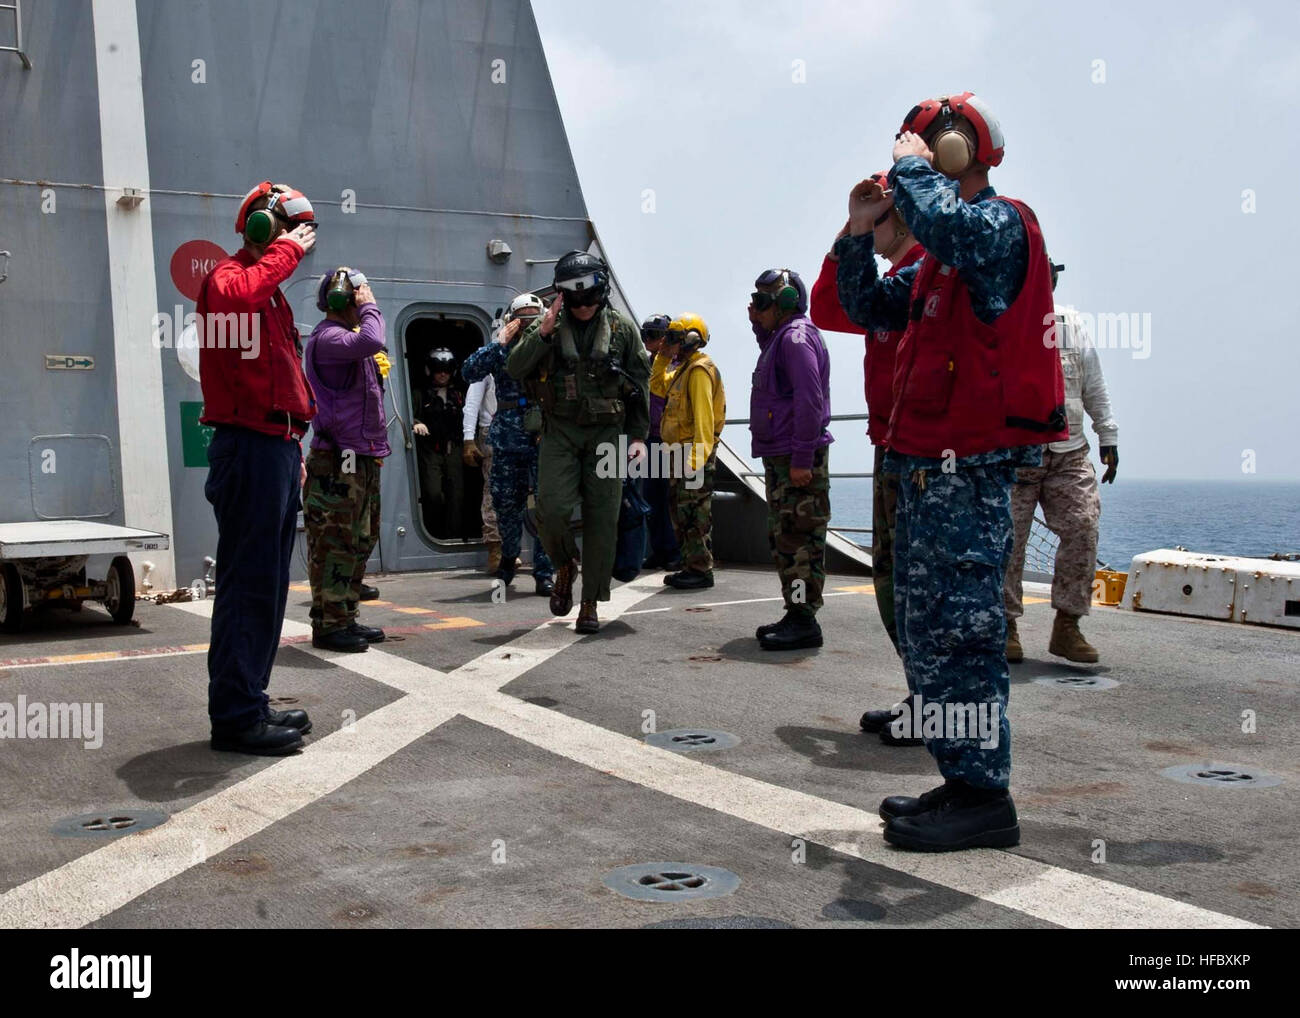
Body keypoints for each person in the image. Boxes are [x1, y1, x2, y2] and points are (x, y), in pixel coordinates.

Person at [837, 93, 1067, 851]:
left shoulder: (1002, 225)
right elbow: (866, 304)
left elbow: (953, 224)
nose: (914, 154)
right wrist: (858, 231)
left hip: (969, 475)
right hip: (926, 475)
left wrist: (912, 175)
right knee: (929, 632)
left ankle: (986, 799)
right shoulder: (934, 262)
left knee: (966, 634)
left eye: (929, 145)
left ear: (962, 150)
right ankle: (959, 779)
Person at [198, 180, 318, 755]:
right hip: (247, 447)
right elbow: (238, 297)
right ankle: (237, 717)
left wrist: (293, 445)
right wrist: (286, 251)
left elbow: (282, 376)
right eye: (288, 229)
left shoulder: (270, 295)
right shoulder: (228, 280)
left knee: (268, 586)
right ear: (263, 227)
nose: (298, 243)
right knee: (248, 585)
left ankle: (251, 697)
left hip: (274, 446)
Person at [811, 172, 925, 744]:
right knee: (895, 583)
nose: (863, 233)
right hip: (891, 445)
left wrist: (859, 231)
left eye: (874, 220)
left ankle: (937, 706)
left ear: (900, 217)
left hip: (924, 453)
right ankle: (923, 697)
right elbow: (829, 308)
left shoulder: (925, 275)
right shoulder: (885, 280)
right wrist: (854, 228)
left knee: (918, 586)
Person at [506, 250, 650, 634]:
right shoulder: (546, 326)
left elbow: (639, 384)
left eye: (589, 295)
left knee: (604, 518)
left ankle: (589, 603)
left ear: (601, 290)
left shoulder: (622, 329)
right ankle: (565, 564)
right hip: (561, 432)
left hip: (607, 436)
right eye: (574, 296)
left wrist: (638, 436)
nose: (583, 305)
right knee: (550, 509)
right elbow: (515, 367)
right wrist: (545, 330)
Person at [1004, 256, 1119, 664]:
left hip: (1069, 452)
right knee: (1008, 543)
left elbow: (1093, 382)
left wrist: (1108, 435)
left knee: (1083, 526)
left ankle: (1067, 624)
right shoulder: (1002, 320)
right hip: (1017, 457)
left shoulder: (1071, 324)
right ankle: (1006, 624)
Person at [302, 267, 389, 654]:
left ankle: (346, 615)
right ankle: (329, 624)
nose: (362, 301)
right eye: (357, 296)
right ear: (343, 299)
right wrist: (369, 304)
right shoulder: (329, 339)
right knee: (336, 541)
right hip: (338, 461)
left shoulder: (347, 340)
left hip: (361, 457)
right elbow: (374, 338)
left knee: (360, 539)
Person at [748, 268, 833, 651]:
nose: (755, 306)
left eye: (763, 301)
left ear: (785, 303)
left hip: (795, 457)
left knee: (799, 541)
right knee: (786, 538)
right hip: (782, 455)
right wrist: (758, 326)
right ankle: (795, 611)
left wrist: (801, 458)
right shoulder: (781, 338)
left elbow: (809, 401)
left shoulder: (796, 339)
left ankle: (803, 620)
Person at [462, 292, 555, 596]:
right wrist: (498, 342)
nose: (526, 324)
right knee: (505, 504)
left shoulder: (551, 347)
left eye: (532, 318)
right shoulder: (500, 352)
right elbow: (469, 371)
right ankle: (508, 558)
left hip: (543, 436)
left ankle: (544, 571)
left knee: (545, 506)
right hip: (506, 437)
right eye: (521, 319)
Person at [657, 313, 726, 589]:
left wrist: (695, 462)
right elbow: (657, 386)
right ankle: (690, 566)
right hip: (677, 453)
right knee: (679, 511)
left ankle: (700, 570)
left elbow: (704, 420)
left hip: (691, 454)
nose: (669, 342)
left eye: (673, 338)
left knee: (693, 513)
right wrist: (662, 356)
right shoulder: (683, 369)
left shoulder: (698, 371)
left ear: (691, 340)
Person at [639, 313, 682, 572]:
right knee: (651, 497)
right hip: (650, 437)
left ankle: (676, 551)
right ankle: (660, 549)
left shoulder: (679, 366)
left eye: (653, 335)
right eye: (646, 334)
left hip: (672, 440)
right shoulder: (646, 364)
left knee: (672, 499)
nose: (648, 339)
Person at [412, 348, 465, 539]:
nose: (443, 373)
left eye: (447, 369)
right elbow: (409, 416)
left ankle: (453, 537)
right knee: (433, 494)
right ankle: (434, 534)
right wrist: (417, 424)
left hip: (454, 449)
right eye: (438, 369)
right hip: (431, 450)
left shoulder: (460, 394)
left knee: (456, 497)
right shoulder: (420, 395)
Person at [463, 354, 502, 573]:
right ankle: (496, 548)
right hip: (492, 431)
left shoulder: (531, 353)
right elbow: (472, 403)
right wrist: (468, 438)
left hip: (527, 430)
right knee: (493, 491)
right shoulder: (488, 358)